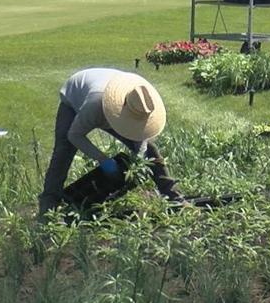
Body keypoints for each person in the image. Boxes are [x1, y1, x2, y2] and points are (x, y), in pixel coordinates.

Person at [38, 68, 182, 214]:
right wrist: (103, 159)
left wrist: (138, 159)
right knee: (63, 151)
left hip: (108, 96)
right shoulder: (95, 105)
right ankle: (49, 204)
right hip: (75, 97)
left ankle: (172, 195)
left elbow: (142, 139)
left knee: (150, 150)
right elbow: (75, 135)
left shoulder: (142, 103)